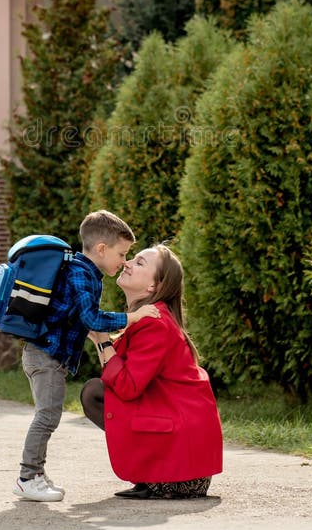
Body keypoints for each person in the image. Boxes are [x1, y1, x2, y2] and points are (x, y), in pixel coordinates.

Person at [13, 210, 160, 503]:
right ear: (102, 249)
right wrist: (132, 317)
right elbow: (91, 318)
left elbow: (83, 319)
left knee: (47, 415)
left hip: (46, 354)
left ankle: (36, 474)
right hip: (46, 355)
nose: (124, 262)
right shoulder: (80, 273)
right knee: (47, 416)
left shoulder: (86, 273)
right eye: (122, 254)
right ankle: (28, 478)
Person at [81, 244, 223, 500]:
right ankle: (149, 474)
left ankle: (154, 477)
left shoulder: (155, 323)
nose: (127, 263)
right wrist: (100, 340)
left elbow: (127, 386)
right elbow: (119, 380)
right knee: (96, 392)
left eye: (139, 263)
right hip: (183, 458)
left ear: (154, 286)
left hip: (182, 472)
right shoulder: (145, 319)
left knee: (94, 393)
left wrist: (102, 341)